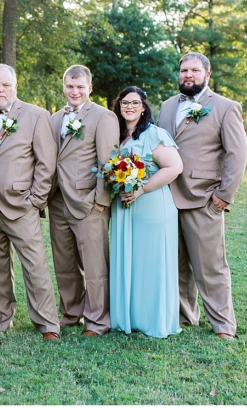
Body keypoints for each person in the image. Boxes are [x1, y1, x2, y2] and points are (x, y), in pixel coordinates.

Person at [157, 52, 247, 340]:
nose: (188, 75)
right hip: (168, 197)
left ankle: (223, 326)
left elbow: (237, 153)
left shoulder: (224, 107)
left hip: (204, 198)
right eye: (184, 70)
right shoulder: (167, 106)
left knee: (211, 267)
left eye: (195, 70)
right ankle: (186, 318)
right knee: (178, 264)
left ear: (207, 75)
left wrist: (225, 194)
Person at [0, 63, 61, 340]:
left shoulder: (35, 115)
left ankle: (48, 325)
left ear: (15, 87)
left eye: (5, 85)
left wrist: (36, 199)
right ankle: (0, 321)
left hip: (22, 205)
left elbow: (47, 162)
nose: (0, 90)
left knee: (35, 266)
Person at [47, 65, 119, 336]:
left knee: (94, 266)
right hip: (57, 201)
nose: (74, 91)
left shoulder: (104, 117)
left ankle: (98, 320)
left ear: (90, 88)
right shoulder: (55, 118)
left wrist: (100, 200)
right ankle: (71, 313)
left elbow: (108, 161)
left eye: (80, 87)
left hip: (89, 201)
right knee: (64, 264)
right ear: (64, 87)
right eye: (69, 86)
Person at [109, 86, 183, 338]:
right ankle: (128, 317)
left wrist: (141, 189)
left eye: (135, 103)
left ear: (143, 107)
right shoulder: (115, 136)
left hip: (152, 206)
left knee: (151, 264)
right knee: (130, 261)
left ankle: (153, 319)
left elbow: (174, 167)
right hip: (124, 207)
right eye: (124, 103)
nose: (129, 107)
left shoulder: (154, 134)